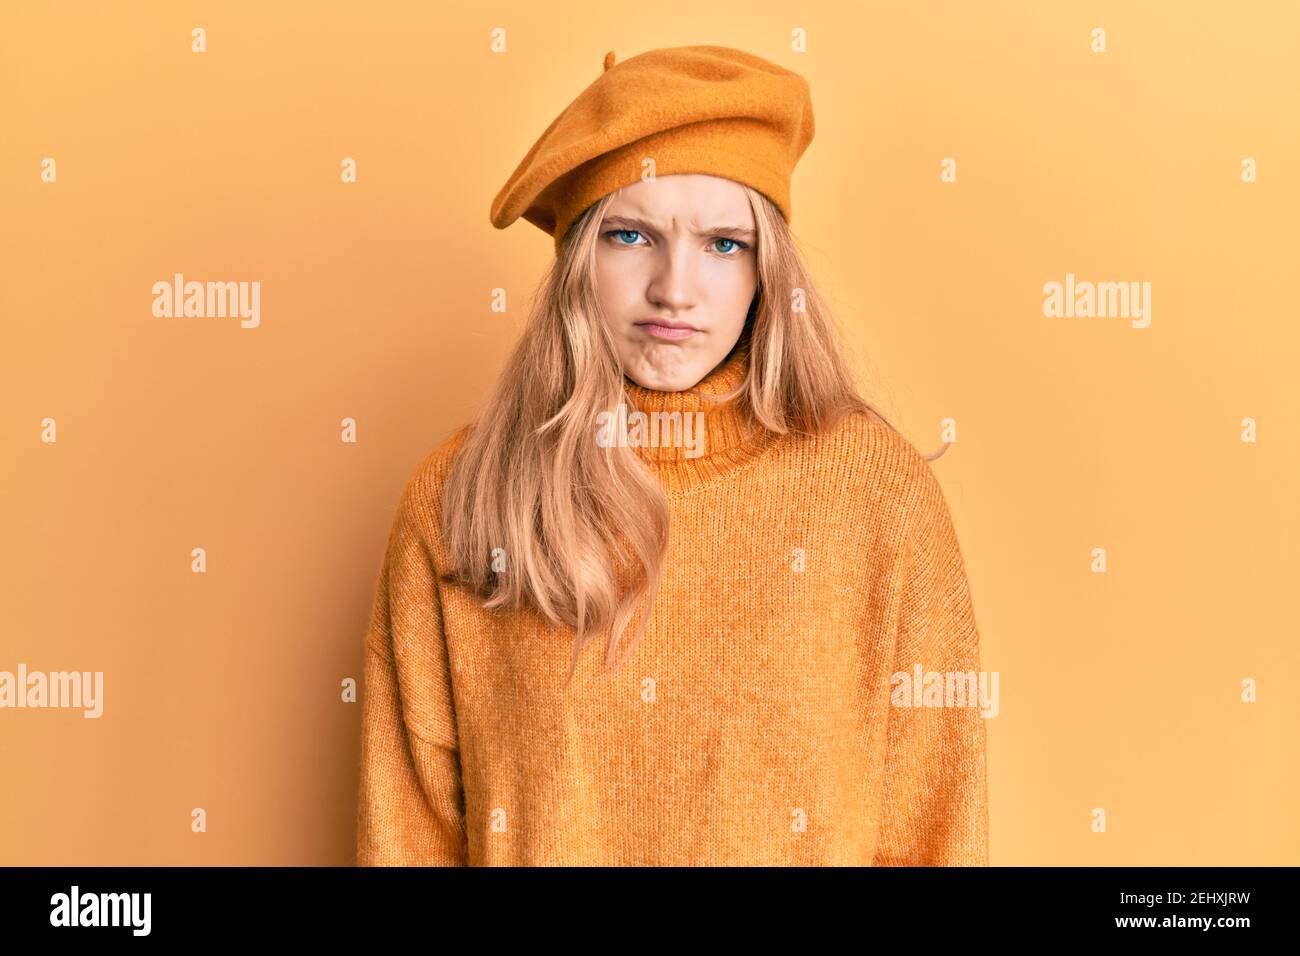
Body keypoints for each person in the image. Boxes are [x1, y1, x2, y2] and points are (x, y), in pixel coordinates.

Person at [356, 45, 989, 866]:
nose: (675, 289)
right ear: (578, 259)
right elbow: (406, 844)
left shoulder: (876, 499)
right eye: (631, 234)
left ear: (770, 269)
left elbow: (938, 832)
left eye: (724, 243)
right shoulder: (460, 500)